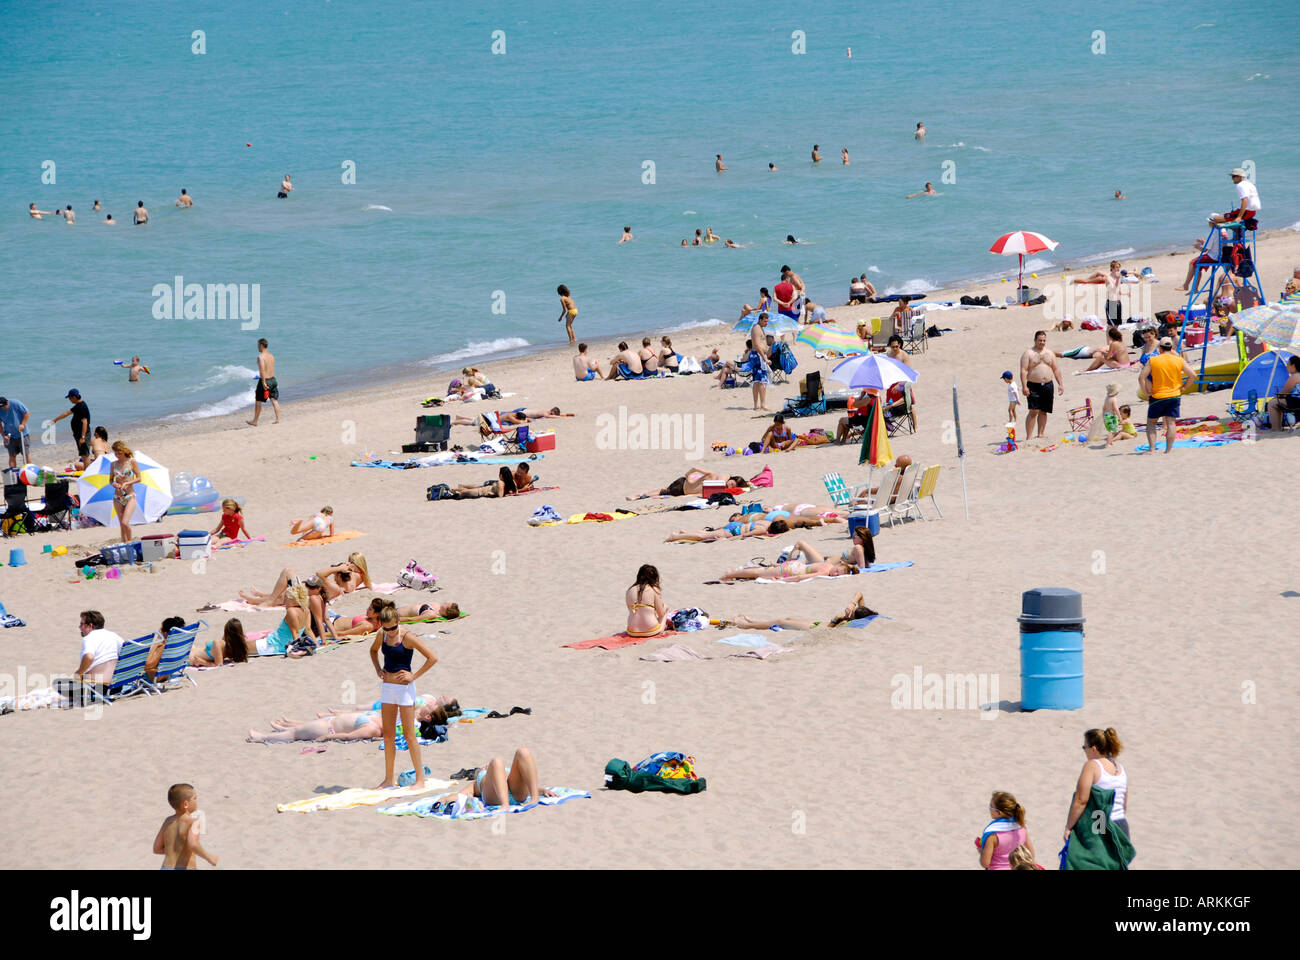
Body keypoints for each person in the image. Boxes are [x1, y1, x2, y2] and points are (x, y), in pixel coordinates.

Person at [370, 603, 438, 789]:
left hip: (405, 689)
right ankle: (388, 779)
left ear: (398, 622)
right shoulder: (382, 635)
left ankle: (420, 780)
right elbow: (373, 651)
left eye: (393, 627)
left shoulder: (407, 637)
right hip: (388, 688)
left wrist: (413, 675)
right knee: (389, 736)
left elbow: (432, 657)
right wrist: (377, 668)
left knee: (409, 735)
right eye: (386, 628)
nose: (390, 631)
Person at [247, 698, 459, 743]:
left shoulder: (412, 723)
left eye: (431, 707)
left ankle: (262, 737)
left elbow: (387, 733)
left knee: (300, 734)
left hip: (367, 725)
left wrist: (327, 738)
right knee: (322, 723)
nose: (429, 703)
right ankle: (288, 724)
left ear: (428, 716)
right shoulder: (412, 717)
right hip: (367, 721)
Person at [425, 747, 557, 810]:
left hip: (516, 793)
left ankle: (534, 799)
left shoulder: (504, 772)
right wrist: (443, 799)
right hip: (495, 797)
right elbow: (461, 795)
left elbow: (525, 780)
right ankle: (505, 805)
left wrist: (541, 790)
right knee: (497, 761)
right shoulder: (477, 782)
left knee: (523, 752)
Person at [1063, 727, 1130, 844]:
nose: (1084, 750)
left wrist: (1069, 827)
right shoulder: (1120, 768)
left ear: (1093, 749)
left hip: (1101, 825)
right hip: (1122, 825)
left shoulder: (1092, 766)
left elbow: (1081, 800)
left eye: (1084, 747)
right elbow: (1123, 805)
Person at [1139, 337, 1196, 454]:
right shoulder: (1178, 360)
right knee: (1171, 423)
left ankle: (1152, 449)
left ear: (1159, 348)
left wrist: (1146, 393)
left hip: (1158, 396)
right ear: (1172, 348)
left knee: (1151, 422)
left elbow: (1141, 378)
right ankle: (1168, 450)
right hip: (1174, 395)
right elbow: (1193, 375)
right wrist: (1184, 387)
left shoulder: (1153, 360)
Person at [717, 541, 859, 583]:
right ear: (839, 566)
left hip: (794, 566)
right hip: (790, 570)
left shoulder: (830, 565)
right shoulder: (825, 570)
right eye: (837, 572)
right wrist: (783, 580)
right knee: (757, 573)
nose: (834, 574)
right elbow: (800, 578)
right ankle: (730, 574)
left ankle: (734, 574)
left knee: (759, 572)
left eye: (836, 575)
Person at [154, 784, 217, 870]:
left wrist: (173, 851)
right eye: (195, 798)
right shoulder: (193, 822)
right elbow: (192, 844)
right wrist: (209, 858)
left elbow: (157, 849)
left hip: (166, 867)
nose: (197, 801)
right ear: (186, 804)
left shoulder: (167, 821)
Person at [1019, 330, 1064, 441]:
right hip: (1033, 385)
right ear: (1035, 340)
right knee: (1034, 410)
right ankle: (1029, 437)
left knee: (1044, 410)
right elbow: (1023, 370)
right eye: (1040, 340)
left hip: (1048, 385)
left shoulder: (1050, 353)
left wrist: (1060, 384)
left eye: (1044, 340)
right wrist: (1024, 386)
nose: (1042, 342)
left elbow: (1056, 369)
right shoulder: (1028, 353)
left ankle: (1040, 434)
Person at [975, 792, 1034, 871]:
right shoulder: (1021, 827)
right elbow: (1031, 854)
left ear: (999, 812)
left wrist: (981, 851)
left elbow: (985, 863)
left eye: (991, 807)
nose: (989, 809)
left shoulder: (993, 834)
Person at [628, 467, 748, 500]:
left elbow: (701, 493)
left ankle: (641, 495)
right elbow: (695, 467)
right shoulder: (713, 475)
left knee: (664, 491)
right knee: (663, 490)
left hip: (684, 491)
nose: (730, 486)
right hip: (683, 484)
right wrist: (688, 476)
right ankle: (639, 495)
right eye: (731, 483)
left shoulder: (715, 487)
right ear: (729, 478)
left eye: (732, 486)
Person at [187, 617, 252, 667]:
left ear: (226, 632)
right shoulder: (237, 645)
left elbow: (218, 664)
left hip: (189, 657)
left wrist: (203, 662)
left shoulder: (218, 644)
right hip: (192, 650)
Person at [108, 441, 140, 543]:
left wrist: (128, 482)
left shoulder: (132, 462)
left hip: (130, 495)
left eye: (119, 453)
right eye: (115, 453)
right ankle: (124, 543)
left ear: (123, 451)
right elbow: (110, 480)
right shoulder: (113, 464)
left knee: (125, 523)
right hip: (118, 497)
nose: (117, 455)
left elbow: (139, 478)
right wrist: (114, 484)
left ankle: (129, 542)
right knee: (121, 524)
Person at [50, 389, 91, 463]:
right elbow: (66, 413)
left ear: (74, 397)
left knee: (85, 455)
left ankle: (88, 472)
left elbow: (85, 422)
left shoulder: (81, 407)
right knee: (83, 454)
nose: (69, 400)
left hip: (82, 434)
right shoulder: (78, 406)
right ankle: (86, 470)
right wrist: (55, 420)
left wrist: (83, 437)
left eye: (70, 398)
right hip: (78, 434)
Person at [626, 564, 667, 637]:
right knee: (665, 610)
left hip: (631, 631)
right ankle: (661, 630)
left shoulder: (630, 590)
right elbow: (661, 613)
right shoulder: (654, 589)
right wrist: (665, 608)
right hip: (650, 631)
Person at [249, 337, 280, 425]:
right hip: (273, 379)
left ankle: (255, 421)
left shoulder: (260, 357)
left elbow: (262, 370)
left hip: (265, 381)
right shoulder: (271, 356)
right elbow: (269, 368)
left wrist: (263, 382)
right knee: (274, 399)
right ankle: (278, 419)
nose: (258, 347)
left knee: (258, 401)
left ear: (262, 345)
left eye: (258, 345)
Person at [1266, 355, 1300, 433]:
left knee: (1272, 403)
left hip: (1297, 402)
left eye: (1288, 364)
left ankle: (1276, 428)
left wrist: (1275, 397)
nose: (1287, 367)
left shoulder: (1295, 377)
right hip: (1296, 400)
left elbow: (1283, 393)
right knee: (1278, 402)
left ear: (1293, 365)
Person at [449, 465, 517, 499]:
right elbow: (515, 491)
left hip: (480, 492)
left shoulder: (500, 483)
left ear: (501, 475)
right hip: (481, 491)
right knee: (464, 491)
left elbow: (500, 495)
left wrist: (507, 494)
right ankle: (455, 489)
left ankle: (453, 491)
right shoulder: (512, 482)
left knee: (462, 493)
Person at [0, 396, 31, 468]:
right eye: (1, 408)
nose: (3, 409)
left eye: (4, 407)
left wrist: (23, 424)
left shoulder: (15, 403)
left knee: (26, 455)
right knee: (12, 456)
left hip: (22, 434)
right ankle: (13, 473)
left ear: (7, 402)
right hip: (10, 436)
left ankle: (28, 471)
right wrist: (3, 435)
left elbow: (27, 413)